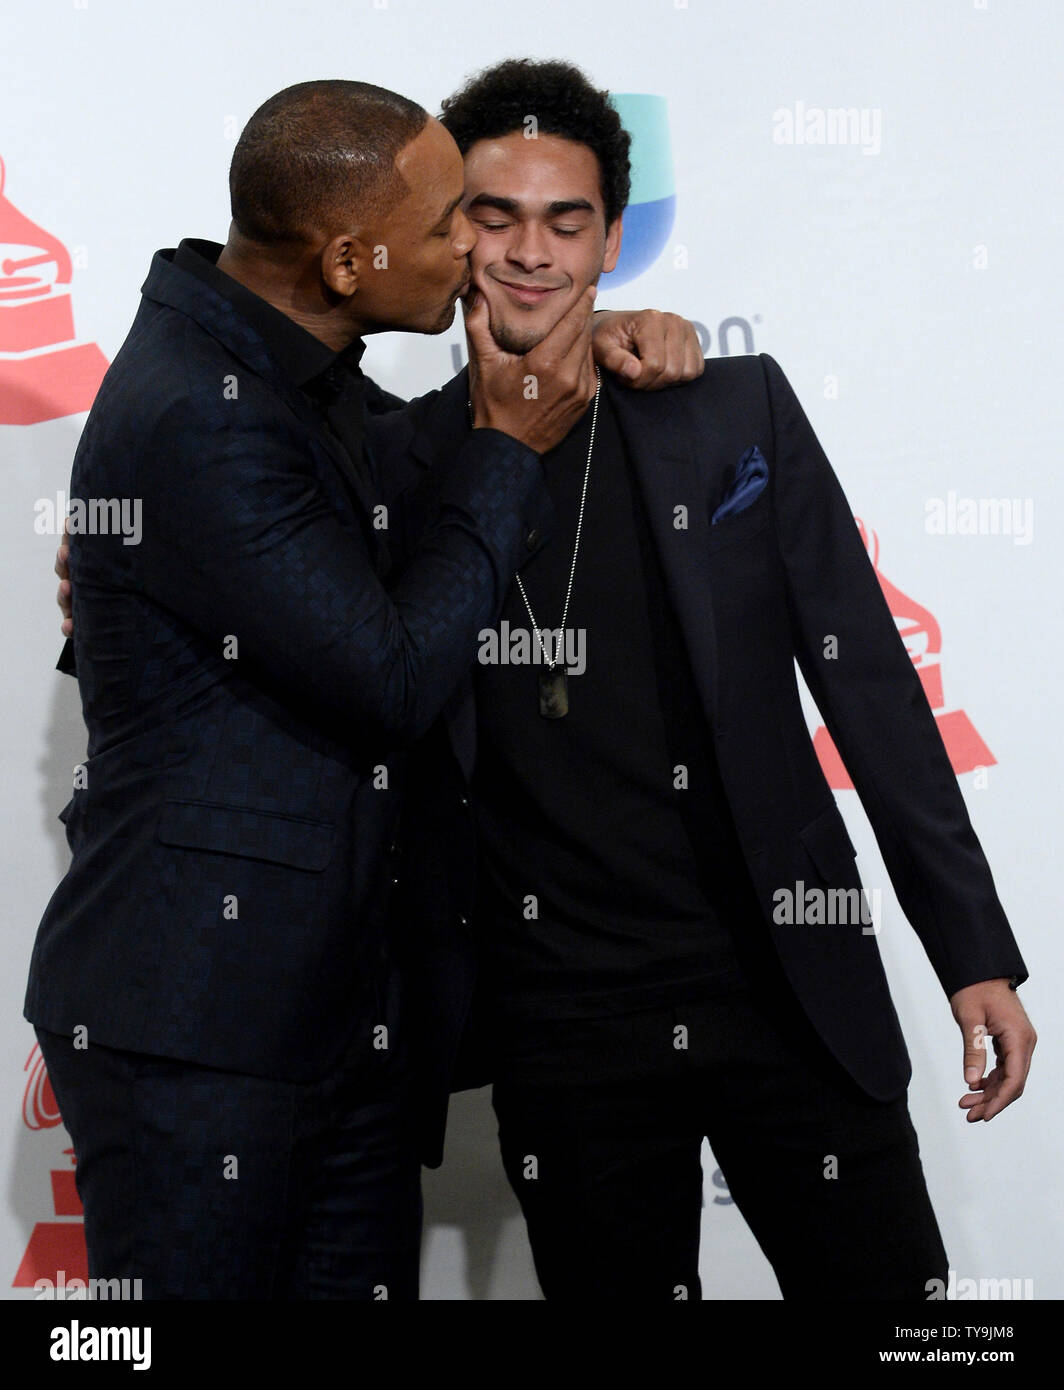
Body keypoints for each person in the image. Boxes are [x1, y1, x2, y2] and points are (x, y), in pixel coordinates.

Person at [374, 58, 1037, 1301]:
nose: (529, 251)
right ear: (450, 233)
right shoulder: (391, 462)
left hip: (781, 978)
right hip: (558, 1015)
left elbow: (873, 688)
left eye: (563, 220)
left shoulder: (728, 408)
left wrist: (971, 953)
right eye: (494, 215)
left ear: (612, 239)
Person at [31, 77, 704, 1300]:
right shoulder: (202, 409)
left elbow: (402, 476)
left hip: (333, 1017)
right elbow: (393, 671)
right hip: (202, 1027)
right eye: (453, 223)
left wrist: (599, 338)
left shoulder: (288, 357)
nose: (477, 254)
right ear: (347, 257)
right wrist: (510, 450)